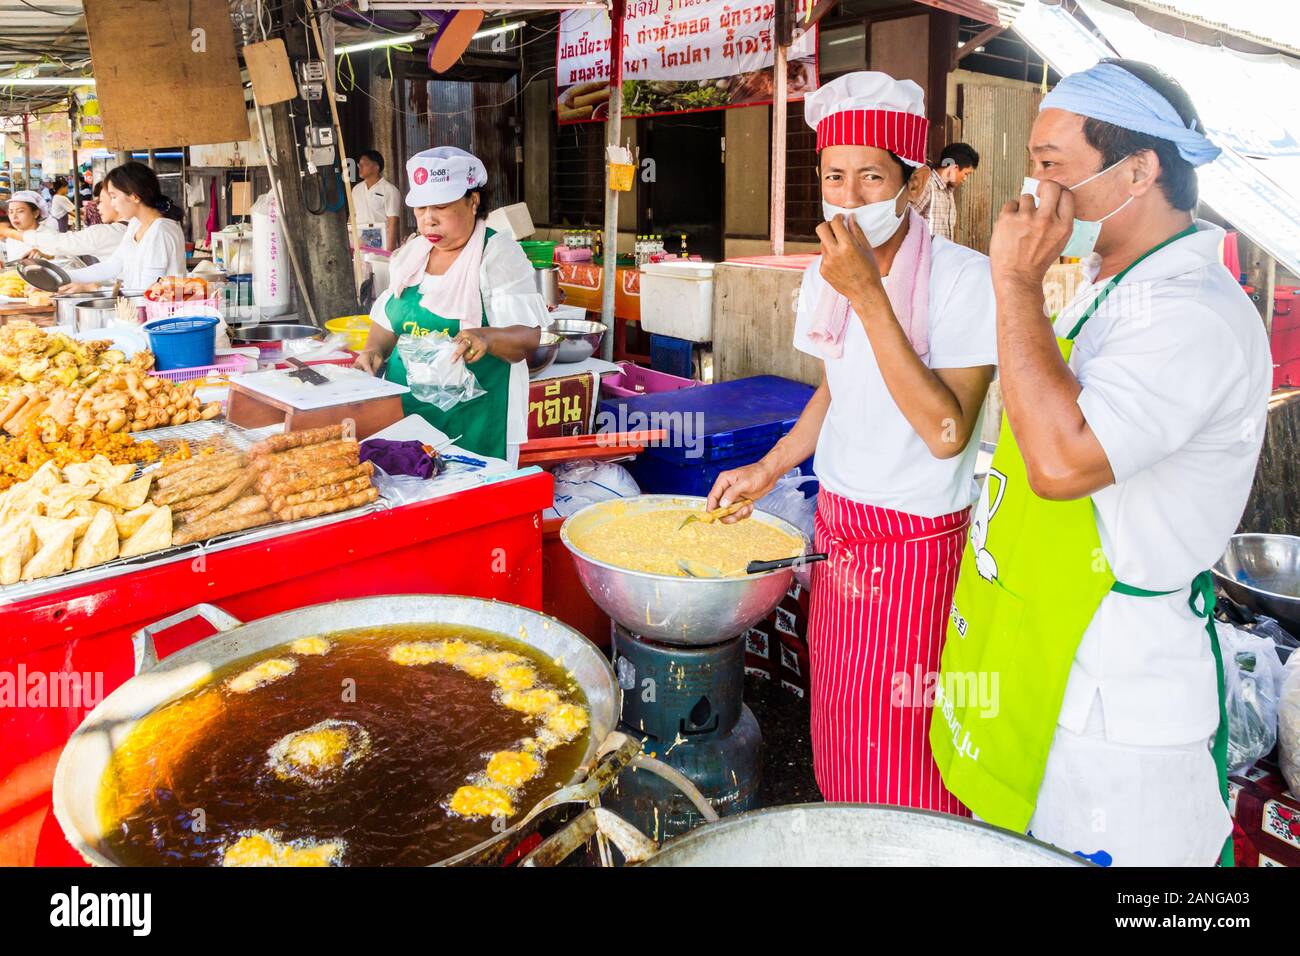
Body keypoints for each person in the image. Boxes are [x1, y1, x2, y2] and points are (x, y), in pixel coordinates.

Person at [929, 59, 1272, 867]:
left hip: (1120, 706)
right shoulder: (1113, 285)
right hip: (1050, 652)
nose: (1034, 189)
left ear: (1140, 170)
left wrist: (1013, 278)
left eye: (1052, 166)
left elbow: (1059, 461)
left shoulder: (1191, 314)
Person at [706, 72, 998, 811]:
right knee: (841, 732)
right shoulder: (827, 273)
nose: (850, 195)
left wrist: (868, 293)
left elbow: (946, 432)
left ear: (916, 182)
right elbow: (837, 389)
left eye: (872, 176)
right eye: (835, 176)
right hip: (839, 535)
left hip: (916, 550)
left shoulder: (966, 281)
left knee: (906, 748)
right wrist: (768, 467)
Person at [354, 147, 547, 466]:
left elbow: (528, 339)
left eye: (441, 206)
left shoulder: (497, 255)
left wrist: (486, 338)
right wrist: (372, 352)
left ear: (473, 202)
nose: (428, 219)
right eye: (420, 208)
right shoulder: (411, 254)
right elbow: (386, 325)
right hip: (407, 419)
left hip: (475, 424)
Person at [59, 162, 185, 293]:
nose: (112, 204)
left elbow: (147, 292)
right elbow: (112, 266)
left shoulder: (161, 231)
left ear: (134, 197)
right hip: (138, 309)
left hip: (161, 311)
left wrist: (96, 289)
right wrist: (62, 276)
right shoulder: (136, 224)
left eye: (113, 196)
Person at [0, 180, 124, 262]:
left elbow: (59, 246)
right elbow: (106, 270)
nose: (97, 207)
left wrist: (7, 232)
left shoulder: (105, 232)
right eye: (10, 212)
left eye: (100, 201)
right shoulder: (125, 229)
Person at [912, 142, 978, 242]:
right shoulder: (927, 186)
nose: (965, 179)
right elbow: (903, 221)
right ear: (954, 168)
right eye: (966, 174)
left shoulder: (948, 192)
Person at [352, 149, 402, 251]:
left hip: (380, 238)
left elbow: (392, 221)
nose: (360, 168)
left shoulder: (389, 190)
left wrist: (390, 249)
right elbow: (353, 215)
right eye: (359, 165)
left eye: (365, 164)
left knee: (379, 265)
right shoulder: (356, 189)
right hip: (359, 238)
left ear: (376, 167)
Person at [3, 191, 58, 262]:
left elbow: (68, 262)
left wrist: (47, 256)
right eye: (10, 212)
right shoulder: (11, 239)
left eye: (20, 211)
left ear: (36, 213)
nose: (14, 216)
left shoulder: (50, 235)